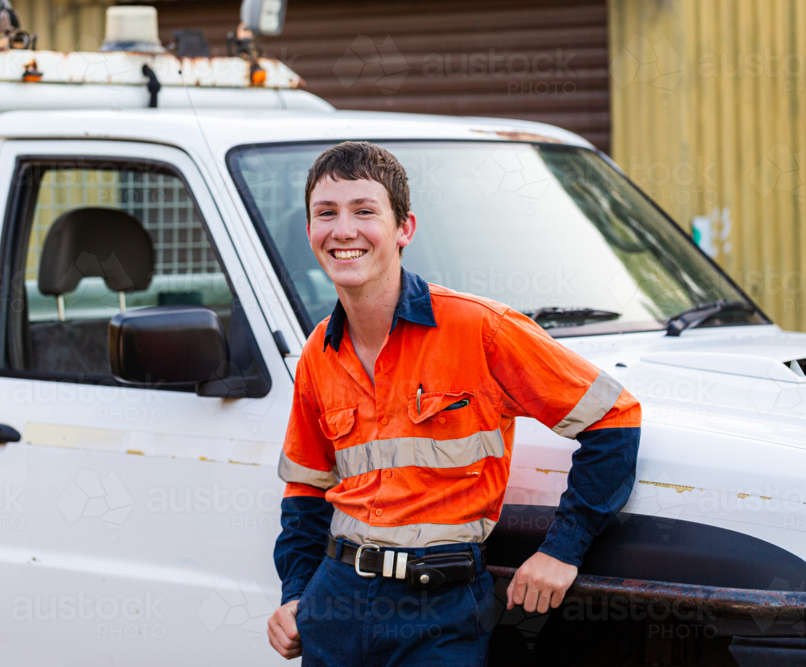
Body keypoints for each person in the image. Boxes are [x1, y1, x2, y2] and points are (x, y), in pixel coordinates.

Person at [266, 141, 641, 665]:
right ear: (309, 231)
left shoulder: (481, 330)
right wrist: (296, 594)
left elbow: (615, 417)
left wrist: (562, 550)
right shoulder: (318, 351)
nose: (343, 230)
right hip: (336, 607)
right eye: (326, 213)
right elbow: (306, 489)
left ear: (404, 229)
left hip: (440, 610)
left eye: (365, 211)